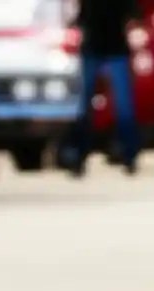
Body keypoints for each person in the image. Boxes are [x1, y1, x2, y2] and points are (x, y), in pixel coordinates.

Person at [62, 0, 142, 177]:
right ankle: (128, 154)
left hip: (99, 46)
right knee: (120, 105)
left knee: (88, 105)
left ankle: (79, 155)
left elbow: (78, 18)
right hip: (112, 46)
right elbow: (134, 16)